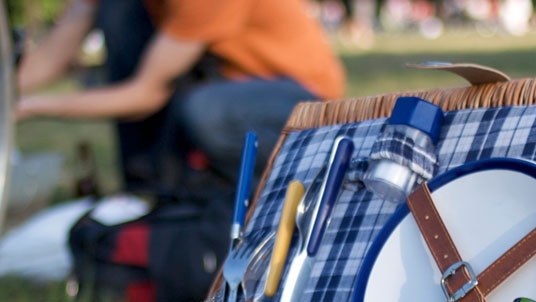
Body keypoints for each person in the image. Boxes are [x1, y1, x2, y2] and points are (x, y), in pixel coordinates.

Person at [16, 0, 346, 191]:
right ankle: (153, 191)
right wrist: (8, 91)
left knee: (205, 111)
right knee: (119, 10)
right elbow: (54, 53)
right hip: (230, 84)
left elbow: (146, 92)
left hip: (305, 103)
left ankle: (257, 200)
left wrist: (29, 107)